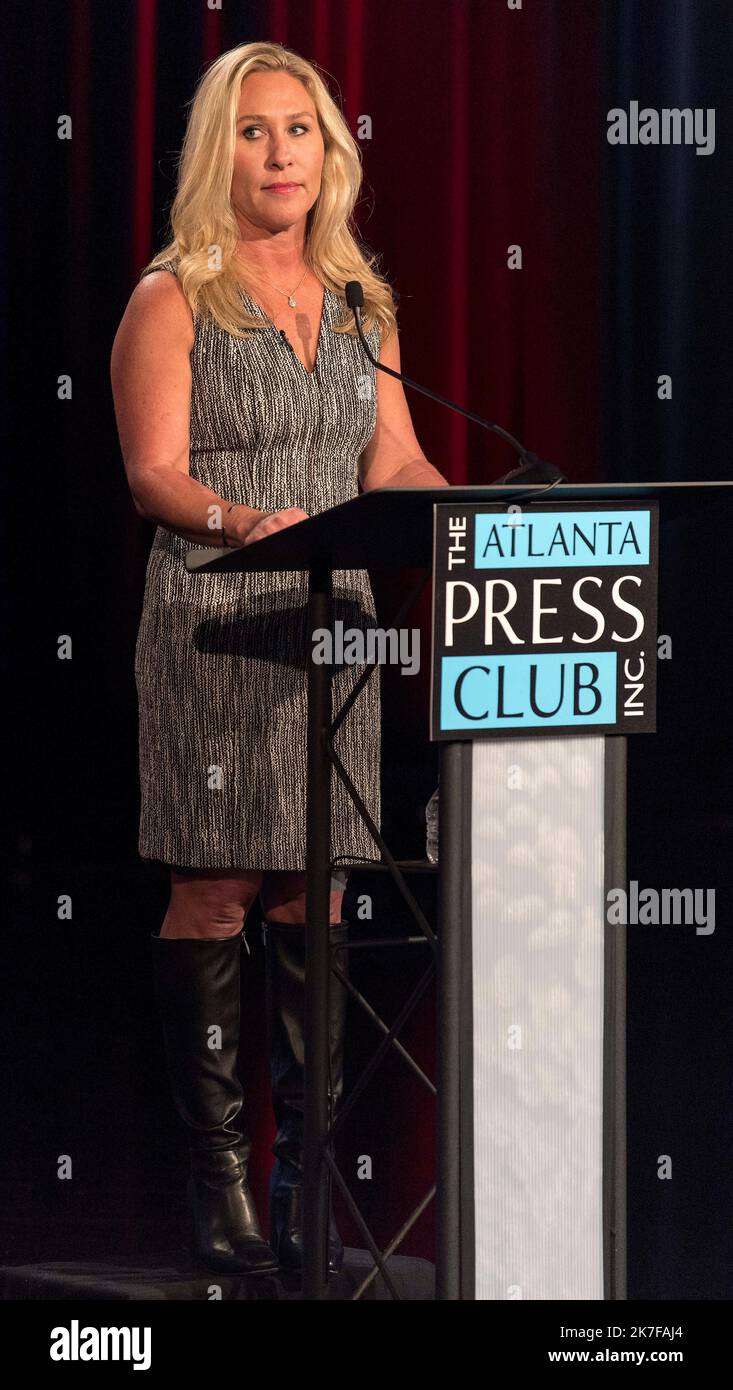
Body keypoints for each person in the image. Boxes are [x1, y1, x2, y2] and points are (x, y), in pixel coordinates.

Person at [110, 39, 449, 1277]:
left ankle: (306, 1188)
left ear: (329, 149)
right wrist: (250, 521)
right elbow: (153, 474)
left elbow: (392, 459)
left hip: (336, 625)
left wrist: (452, 511)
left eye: (297, 130)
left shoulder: (361, 298)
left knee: (320, 886)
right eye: (253, 132)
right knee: (218, 888)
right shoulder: (173, 293)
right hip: (217, 622)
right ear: (220, 152)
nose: (279, 153)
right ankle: (221, 1196)